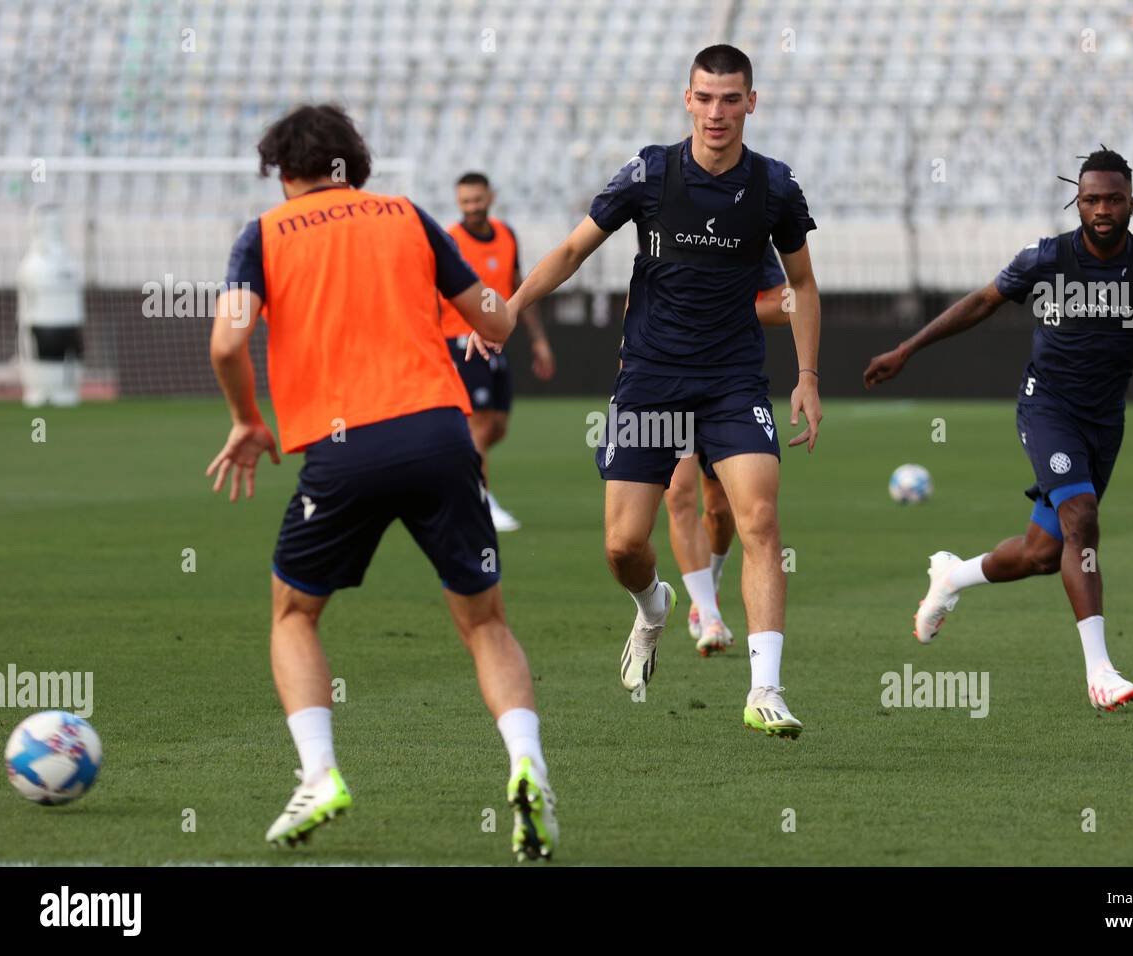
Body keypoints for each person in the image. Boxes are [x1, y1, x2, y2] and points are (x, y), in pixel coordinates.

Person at [206, 103, 557, 858]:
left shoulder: (261, 236)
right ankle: (527, 762)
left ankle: (321, 774)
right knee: (486, 622)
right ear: (352, 162)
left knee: (294, 614)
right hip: (438, 431)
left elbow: (228, 342)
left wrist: (247, 419)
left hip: (343, 450)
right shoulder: (410, 216)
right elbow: (491, 323)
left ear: (283, 170)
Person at [475, 45, 821, 737]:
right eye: (705, 97)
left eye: (731, 99)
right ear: (687, 100)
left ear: (751, 102)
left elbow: (803, 285)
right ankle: (654, 607)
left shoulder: (775, 186)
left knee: (758, 520)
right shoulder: (649, 172)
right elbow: (573, 250)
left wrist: (807, 375)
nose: (717, 112)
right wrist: (509, 309)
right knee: (623, 545)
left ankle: (766, 689)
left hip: (733, 381)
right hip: (649, 381)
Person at [863, 149, 1133, 711]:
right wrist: (907, 349)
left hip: (1105, 421)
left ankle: (953, 576)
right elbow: (982, 301)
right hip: (1048, 408)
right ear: (1076, 202)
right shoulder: (1048, 257)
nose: (1101, 209)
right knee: (1082, 520)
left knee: (1041, 553)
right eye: (1090, 200)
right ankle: (1100, 672)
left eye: (1112, 199)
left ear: (1132, 202)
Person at [668, 246, 790, 657]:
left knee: (719, 509)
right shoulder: (661, 223)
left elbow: (783, 302)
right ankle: (707, 613)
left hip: (727, 385)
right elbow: (640, 299)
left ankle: (712, 582)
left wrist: (727, 310)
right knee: (679, 495)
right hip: (667, 381)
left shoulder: (748, 227)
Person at [437, 171, 556, 531]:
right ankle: (479, 501)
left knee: (497, 427)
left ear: (490, 197)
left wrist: (538, 339)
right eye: (465, 202)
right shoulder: (450, 240)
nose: (471, 207)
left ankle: (453, 476)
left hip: (496, 341)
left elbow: (516, 286)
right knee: (479, 425)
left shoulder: (506, 235)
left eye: (477, 200)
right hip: (460, 343)